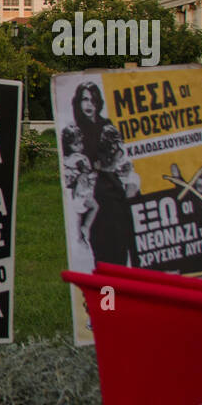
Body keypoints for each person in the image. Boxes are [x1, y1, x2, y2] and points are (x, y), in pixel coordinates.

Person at [60, 81, 139, 267]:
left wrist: (128, 176)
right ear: (78, 102)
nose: (89, 105)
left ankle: (120, 294)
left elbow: (122, 156)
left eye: (93, 100)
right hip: (95, 199)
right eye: (85, 99)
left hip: (116, 196)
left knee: (122, 250)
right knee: (103, 256)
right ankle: (107, 296)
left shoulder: (107, 125)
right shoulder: (75, 131)